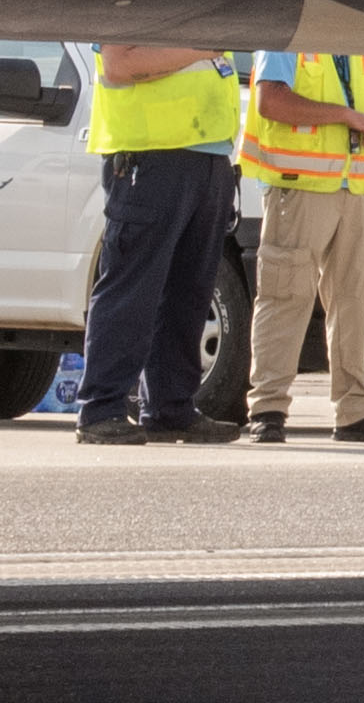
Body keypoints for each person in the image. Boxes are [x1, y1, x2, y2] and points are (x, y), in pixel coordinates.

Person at [74, 46, 241, 445]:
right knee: (131, 289)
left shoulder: (201, 13)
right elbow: (120, 65)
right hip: (148, 156)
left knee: (189, 293)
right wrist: (204, 47)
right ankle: (100, 410)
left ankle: (171, 409)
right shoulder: (138, 6)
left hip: (209, 153)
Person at [237, 48, 364, 443]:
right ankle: (267, 409)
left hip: (352, 185)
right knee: (285, 294)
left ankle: (355, 410)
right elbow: (271, 101)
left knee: (353, 298)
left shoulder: (358, 41)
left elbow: (356, 98)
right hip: (298, 185)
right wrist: (348, 116)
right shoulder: (290, 35)